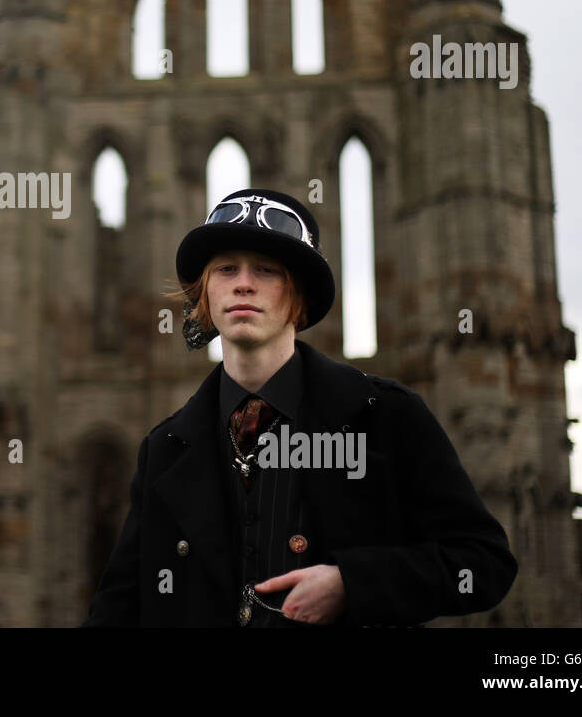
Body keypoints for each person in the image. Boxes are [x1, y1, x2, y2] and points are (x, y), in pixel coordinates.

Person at [81, 188, 517, 627]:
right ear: (205, 296)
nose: (244, 283)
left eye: (267, 270)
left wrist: (352, 583)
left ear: (299, 297)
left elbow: (483, 564)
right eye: (226, 269)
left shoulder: (387, 418)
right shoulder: (167, 447)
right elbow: (119, 606)